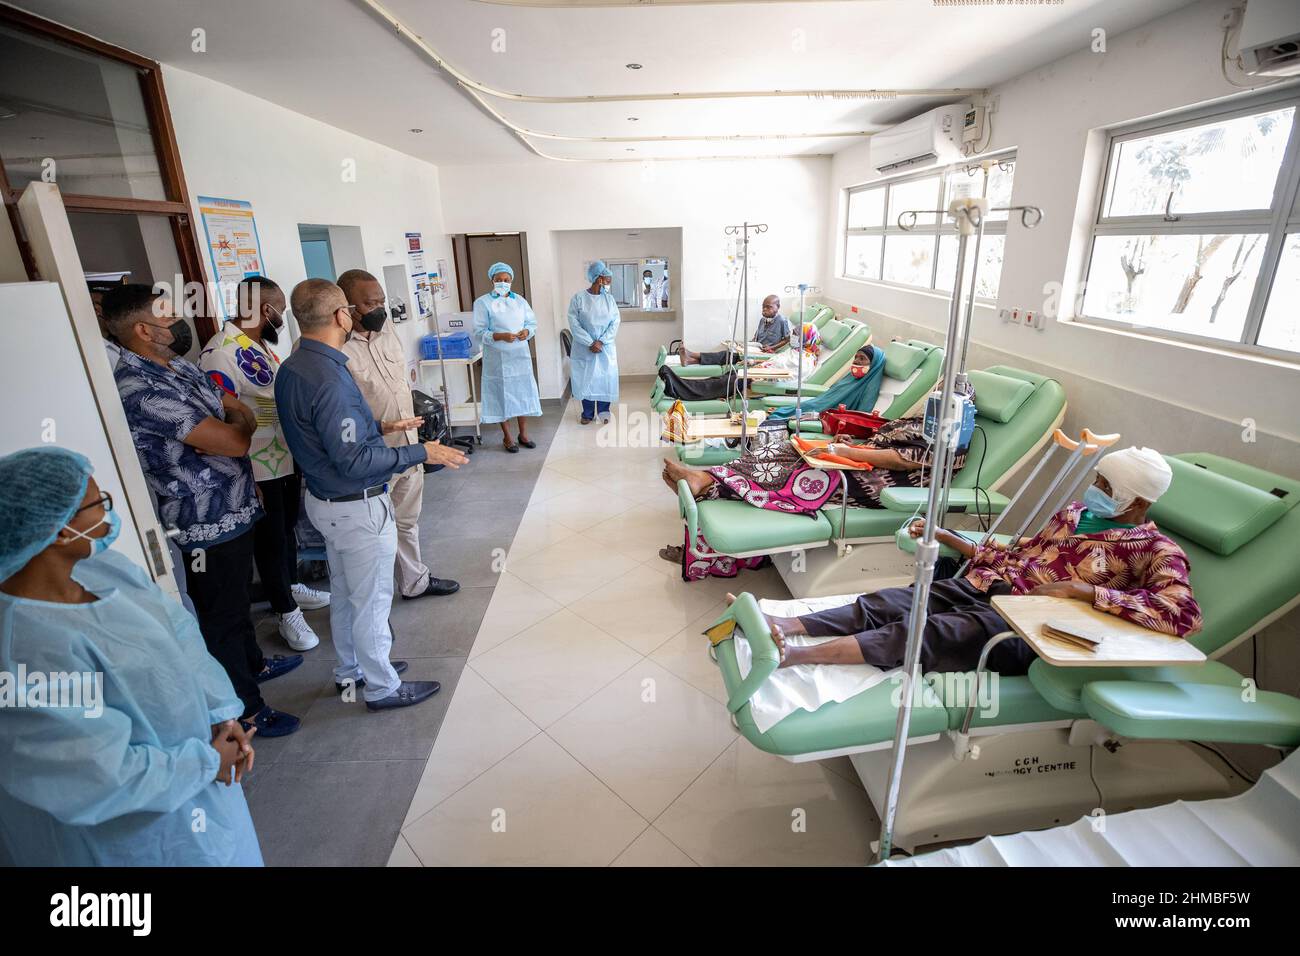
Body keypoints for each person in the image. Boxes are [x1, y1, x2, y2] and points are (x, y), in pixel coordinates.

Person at [0, 447, 263, 866]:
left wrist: (222, 715)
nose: (108, 507)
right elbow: (93, 777)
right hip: (131, 838)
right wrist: (205, 762)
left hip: (203, 774)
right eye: (97, 502)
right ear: (61, 531)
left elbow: (179, 634)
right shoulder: (24, 650)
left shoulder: (104, 569)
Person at [740, 447, 1202, 674]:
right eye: (1097, 479)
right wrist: (948, 536)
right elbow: (1018, 554)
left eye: (1107, 487)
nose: (1093, 491)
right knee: (893, 601)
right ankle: (785, 623)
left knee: (928, 631)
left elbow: (1182, 615)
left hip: (1030, 626)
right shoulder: (1073, 515)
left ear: (1138, 504)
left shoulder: (1157, 552)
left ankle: (795, 657)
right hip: (987, 584)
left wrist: (1087, 591)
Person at [107, 284, 301, 738]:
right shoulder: (140, 388)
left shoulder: (177, 368)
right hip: (200, 524)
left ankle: (254, 666)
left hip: (237, 505)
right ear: (142, 329)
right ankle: (246, 712)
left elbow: (238, 411)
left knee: (238, 606)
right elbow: (236, 436)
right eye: (169, 314)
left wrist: (234, 421)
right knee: (222, 618)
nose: (181, 321)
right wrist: (234, 423)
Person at [275, 278, 469, 711]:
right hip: (356, 505)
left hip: (326, 500)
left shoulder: (296, 366)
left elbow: (325, 434)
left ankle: (353, 670)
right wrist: (422, 450)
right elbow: (354, 461)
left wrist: (385, 428)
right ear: (342, 315)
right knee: (371, 600)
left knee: (345, 595)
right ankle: (383, 687)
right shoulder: (330, 376)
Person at [199, 275, 331, 652]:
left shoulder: (258, 345)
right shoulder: (220, 351)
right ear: (264, 310)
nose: (282, 318)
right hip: (255, 465)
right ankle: (285, 611)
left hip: (283, 456)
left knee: (285, 529)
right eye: (281, 312)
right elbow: (220, 414)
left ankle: (290, 585)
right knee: (270, 538)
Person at [338, 268, 459, 601]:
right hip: (372, 453)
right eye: (369, 302)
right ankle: (372, 598)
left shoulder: (387, 329)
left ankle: (413, 581)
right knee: (375, 529)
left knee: (406, 520)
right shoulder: (335, 348)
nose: (379, 308)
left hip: (409, 446)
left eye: (381, 300)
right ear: (346, 307)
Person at [472, 262, 542, 453]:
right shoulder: (482, 302)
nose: (503, 283)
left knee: (522, 393)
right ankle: (507, 437)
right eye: (499, 280)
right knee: (500, 395)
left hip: (519, 356)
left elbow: (532, 323)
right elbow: (479, 332)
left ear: (512, 281)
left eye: (506, 280)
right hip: (497, 358)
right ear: (492, 280)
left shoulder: (520, 301)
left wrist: (526, 331)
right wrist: (499, 336)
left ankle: (523, 434)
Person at [568, 260, 620, 425]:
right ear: (598, 278)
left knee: (605, 378)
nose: (609, 280)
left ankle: (604, 412)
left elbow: (615, 322)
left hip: (605, 347)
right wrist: (590, 342)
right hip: (585, 348)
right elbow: (574, 323)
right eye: (606, 277)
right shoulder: (579, 298)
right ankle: (588, 413)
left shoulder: (609, 300)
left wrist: (602, 341)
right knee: (586, 379)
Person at [677, 294, 789, 366]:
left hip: (765, 354)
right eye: (763, 306)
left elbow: (787, 340)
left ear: (777, 307)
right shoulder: (762, 320)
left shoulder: (782, 321)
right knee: (727, 355)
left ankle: (691, 354)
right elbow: (756, 338)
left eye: (768, 307)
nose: (765, 309)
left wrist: (771, 348)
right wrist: (744, 345)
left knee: (726, 356)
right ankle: (690, 361)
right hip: (756, 349)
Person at [88, 281, 124, 368]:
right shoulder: (94, 351)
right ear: (97, 310)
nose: (122, 314)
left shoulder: (119, 341)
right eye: (115, 307)